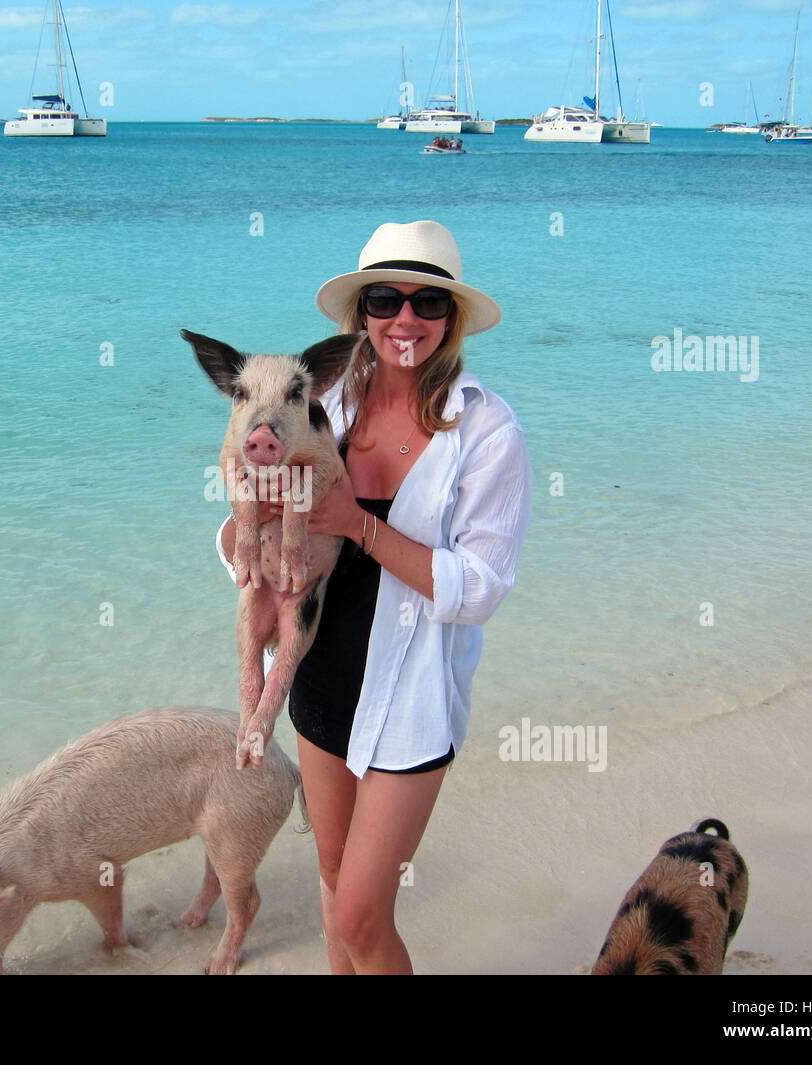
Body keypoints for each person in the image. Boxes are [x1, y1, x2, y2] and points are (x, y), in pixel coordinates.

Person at [217, 220, 532, 973]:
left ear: (452, 320)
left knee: (361, 914)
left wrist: (359, 524)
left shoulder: (488, 431)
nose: (405, 320)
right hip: (322, 679)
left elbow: (479, 589)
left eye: (429, 304)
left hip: (414, 698)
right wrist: (240, 538)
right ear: (361, 315)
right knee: (330, 880)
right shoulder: (320, 409)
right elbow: (248, 526)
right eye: (386, 299)